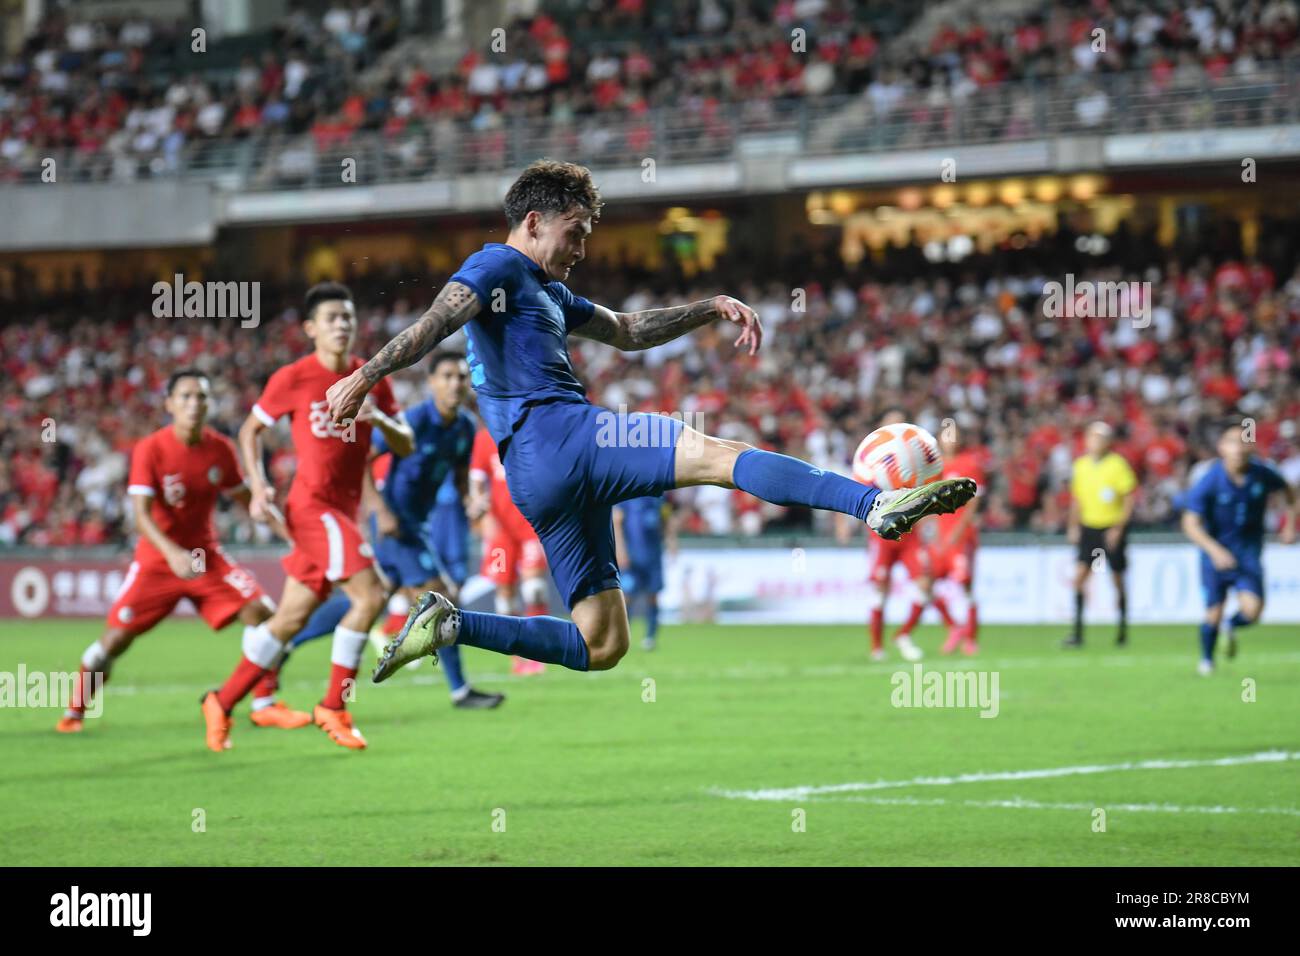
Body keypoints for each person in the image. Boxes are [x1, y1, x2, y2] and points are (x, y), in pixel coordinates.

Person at [324, 159, 976, 680]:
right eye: (574, 231)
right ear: (532, 220)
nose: (582, 247)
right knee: (718, 454)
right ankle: (872, 505)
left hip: (534, 473)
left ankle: (453, 624)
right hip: (567, 437)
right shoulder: (496, 265)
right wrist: (364, 375)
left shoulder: (546, 291)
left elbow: (629, 330)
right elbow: (437, 320)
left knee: (602, 643)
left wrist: (708, 306)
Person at [200, 282, 414, 752]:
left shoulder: (371, 376)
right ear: (311, 329)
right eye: (332, 317)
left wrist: (379, 420)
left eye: (348, 317)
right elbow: (250, 429)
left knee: (290, 619)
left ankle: (222, 700)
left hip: (344, 511)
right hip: (312, 508)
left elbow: (406, 443)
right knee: (371, 594)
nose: (342, 325)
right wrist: (257, 486)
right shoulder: (293, 378)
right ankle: (334, 706)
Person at [56, 369, 294, 734]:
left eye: (201, 396)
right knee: (115, 641)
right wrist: (171, 554)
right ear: (169, 404)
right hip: (157, 560)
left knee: (263, 613)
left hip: (205, 558)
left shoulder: (220, 449)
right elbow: (140, 515)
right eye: (185, 396)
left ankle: (264, 703)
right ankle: (75, 710)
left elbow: (248, 500)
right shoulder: (150, 449)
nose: (194, 404)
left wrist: (291, 535)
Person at [1180, 422, 1297, 675]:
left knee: (1253, 611)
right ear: (1222, 447)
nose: (1239, 447)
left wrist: (1289, 526)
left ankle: (1230, 627)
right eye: (1233, 441)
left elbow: (1290, 493)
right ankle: (1206, 661)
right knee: (1213, 612)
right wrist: (1214, 550)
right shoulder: (1210, 480)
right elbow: (1190, 524)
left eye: (1244, 441)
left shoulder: (1262, 473)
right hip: (1214, 556)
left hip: (1247, 555)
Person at [469, 427, 550, 675]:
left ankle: (540, 653)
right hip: (501, 528)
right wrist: (481, 514)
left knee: (534, 588)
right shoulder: (484, 438)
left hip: (531, 524)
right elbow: (477, 482)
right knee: (505, 594)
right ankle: (517, 656)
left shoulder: (535, 432)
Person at [1063, 422, 1136, 648]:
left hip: (1110, 528)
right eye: (1092, 437)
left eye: (1100, 438)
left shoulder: (1117, 465)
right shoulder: (1081, 466)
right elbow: (1077, 500)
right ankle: (1077, 632)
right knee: (1080, 578)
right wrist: (1073, 525)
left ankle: (1122, 631)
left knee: (1116, 579)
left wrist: (1118, 528)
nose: (1096, 442)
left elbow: (1129, 498)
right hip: (1089, 528)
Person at [614, 494, 674, 651]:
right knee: (626, 597)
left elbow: (666, 518)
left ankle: (650, 637)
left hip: (653, 556)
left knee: (653, 597)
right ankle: (622, 637)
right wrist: (620, 550)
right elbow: (617, 522)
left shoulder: (659, 495)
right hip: (632, 557)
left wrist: (671, 540)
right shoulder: (628, 496)